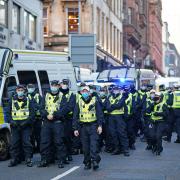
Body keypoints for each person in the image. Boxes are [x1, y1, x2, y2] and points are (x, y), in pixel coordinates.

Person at [73, 86, 103, 170]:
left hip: (93, 125)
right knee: (85, 147)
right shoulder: (78, 102)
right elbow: (75, 116)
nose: (85, 93)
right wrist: (75, 128)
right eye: (83, 91)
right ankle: (87, 162)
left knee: (93, 145)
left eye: (86, 91)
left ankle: (94, 161)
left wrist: (100, 126)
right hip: (83, 127)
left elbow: (99, 114)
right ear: (81, 93)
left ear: (89, 93)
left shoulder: (94, 101)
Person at [38, 80, 66, 168]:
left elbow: (64, 109)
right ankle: (45, 160)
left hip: (57, 122)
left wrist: (54, 115)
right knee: (45, 142)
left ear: (58, 86)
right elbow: (41, 108)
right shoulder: (46, 95)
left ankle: (61, 160)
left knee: (59, 142)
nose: (54, 87)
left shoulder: (62, 96)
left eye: (56, 85)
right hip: (47, 122)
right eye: (52, 85)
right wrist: (46, 115)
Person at [7, 85, 35, 167]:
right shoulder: (11, 100)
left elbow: (32, 114)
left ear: (24, 91)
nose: (20, 91)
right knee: (14, 143)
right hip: (15, 125)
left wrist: (26, 122)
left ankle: (28, 159)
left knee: (27, 143)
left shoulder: (28, 100)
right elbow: (7, 113)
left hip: (25, 125)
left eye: (21, 90)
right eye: (18, 90)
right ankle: (14, 159)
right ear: (16, 90)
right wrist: (11, 122)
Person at [108, 85, 130, 156]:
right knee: (113, 134)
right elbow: (107, 107)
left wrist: (112, 106)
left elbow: (120, 105)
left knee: (122, 133)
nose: (115, 90)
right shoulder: (109, 97)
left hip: (119, 117)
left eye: (117, 89)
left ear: (119, 90)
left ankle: (125, 150)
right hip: (111, 117)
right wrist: (114, 106)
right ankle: (117, 149)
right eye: (114, 89)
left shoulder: (122, 96)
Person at [59, 79, 76, 162]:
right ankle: (62, 154)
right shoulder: (58, 94)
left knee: (68, 137)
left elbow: (71, 106)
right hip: (59, 119)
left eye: (66, 83)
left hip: (68, 119)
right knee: (60, 138)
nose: (64, 85)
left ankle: (69, 154)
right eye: (63, 83)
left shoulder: (71, 94)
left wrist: (61, 112)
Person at [27, 83, 42, 153]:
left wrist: (36, 106)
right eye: (29, 87)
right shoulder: (26, 96)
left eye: (31, 87)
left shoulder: (38, 96)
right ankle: (32, 148)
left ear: (34, 88)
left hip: (37, 118)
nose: (30, 89)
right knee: (31, 135)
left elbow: (42, 106)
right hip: (29, 119)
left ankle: (39, 148)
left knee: (38, 135)